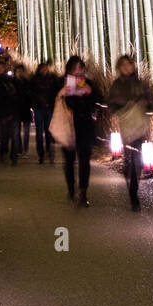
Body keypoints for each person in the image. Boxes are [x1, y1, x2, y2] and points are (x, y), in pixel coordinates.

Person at [107, 53, 152, 211]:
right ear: (119, 68)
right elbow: (111, 105)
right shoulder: (117, 85)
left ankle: (134, 192)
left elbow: (150, 100)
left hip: (140, 125)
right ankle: (131, 187)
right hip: (126, 126)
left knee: (137, 159)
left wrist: (142, 103)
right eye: (123, 65)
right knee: (130, 159)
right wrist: (124, 108)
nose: (127, 68)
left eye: (129, 65)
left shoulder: (139, 83)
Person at [55, 54, 100, 206]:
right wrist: (62, 94)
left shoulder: (88, 83)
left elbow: (100, 99)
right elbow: (54, 101)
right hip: (68, 126)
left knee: (84, 160)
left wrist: (90, 93)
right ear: (68, 70)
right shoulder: (62, 83)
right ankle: (71, 188)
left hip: (84, 126)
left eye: (80, 68)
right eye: (74, 68)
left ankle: (83, 192)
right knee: (68, 161)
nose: (78, 71)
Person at [31, 60, 61, 164]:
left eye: (46, 68)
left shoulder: (53, 78)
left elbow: (57, 91)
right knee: (39, 132)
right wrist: (34, 104)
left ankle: (50, 151)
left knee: (49, 131)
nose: (44, 70)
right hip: (38, 108)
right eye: (42, 68)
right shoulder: (35, 79)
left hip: (49, 108)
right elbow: (31, 93)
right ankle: (41, 154)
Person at [13, 63, 33, 158]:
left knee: (26, 131)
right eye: (18, 72)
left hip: (25, 109)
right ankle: (18, 149)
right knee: (16, 131)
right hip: (16, 109)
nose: (20, 73)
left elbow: (31, 95)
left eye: (21, 71)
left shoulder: (27, 83)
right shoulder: (12, 82)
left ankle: (25, 150)